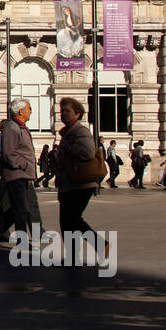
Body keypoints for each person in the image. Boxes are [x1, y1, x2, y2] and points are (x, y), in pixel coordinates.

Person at [54, 96, 106, 262]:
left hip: (80, 183)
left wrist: (68, 147)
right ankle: (73, 258)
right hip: (70, 183)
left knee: (72, 220)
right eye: (62, 111)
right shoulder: (68, 132)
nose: (63, 114)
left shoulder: (80, 131)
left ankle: (99, 245)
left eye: (67, 111)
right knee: (68, 222)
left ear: (77, 113)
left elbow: (88, 153)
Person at [0, 99, 37, 243]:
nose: (31, 111)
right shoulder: (12, 128)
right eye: (29, 108)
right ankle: (22, 242)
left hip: (22, 174)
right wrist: (24, 165)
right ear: (21, 111)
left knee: (18, 209)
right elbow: (9, 153)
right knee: (20, 210)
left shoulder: (20, 127)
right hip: (16, 174)